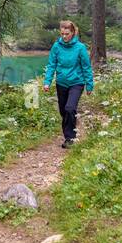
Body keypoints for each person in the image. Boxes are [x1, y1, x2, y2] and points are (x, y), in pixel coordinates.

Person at [42, 19, 93, 148]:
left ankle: (70, 138)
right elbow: (51, 64)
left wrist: (89, 84)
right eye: (62, 34)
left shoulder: (80, 48)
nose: (64, 36)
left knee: (70, 108)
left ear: (73, 33)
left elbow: (86, 67)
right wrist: (47, 82)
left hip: (77, 82)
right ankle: (71, 126)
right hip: (61, 83)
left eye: (67, 34)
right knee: (64, 111)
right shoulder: (56, 46)